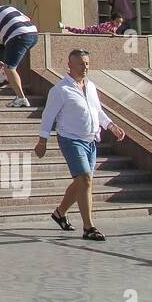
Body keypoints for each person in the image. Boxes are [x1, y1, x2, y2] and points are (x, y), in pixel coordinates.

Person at [37, 48, 127, 241]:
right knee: (85, 179)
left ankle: (60, 213)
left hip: (91, 139)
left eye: (87, 63)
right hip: (70, 139)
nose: (84, 67)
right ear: (69, 65)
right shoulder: (60, 90)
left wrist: (111, 126)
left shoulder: (91, 86)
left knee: (81, 181)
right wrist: (42, 140)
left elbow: (97, 111)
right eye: (80, 64)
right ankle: (89, 227)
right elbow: (48, 116)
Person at [0, 4, 39, 108]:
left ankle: (21, 98)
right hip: (33, 34)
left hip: (18, 36)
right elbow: (27, 18)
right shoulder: (6, 7)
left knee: (9, 68)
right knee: (12, 62)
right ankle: (8, 77)